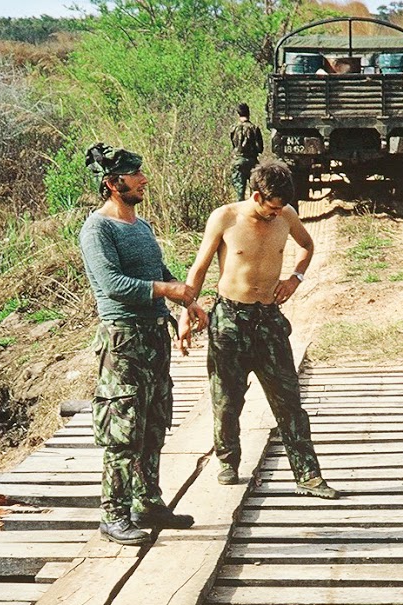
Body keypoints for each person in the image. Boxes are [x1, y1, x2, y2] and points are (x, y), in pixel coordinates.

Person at [181, 159, 337, 499]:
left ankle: (308, 475)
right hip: (229, 321)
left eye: (282, 208)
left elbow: (307, 246)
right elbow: (200, 266)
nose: (277, 214)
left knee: (289, 400)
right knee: (226, 399)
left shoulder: (287, 215)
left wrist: (295, 279)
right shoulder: (226, 217)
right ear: (256, 196)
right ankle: (228, 460)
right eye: (272, 208)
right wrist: (186, 308)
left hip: (268, 320)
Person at [77, 142, 207, 545]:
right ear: (112, 184)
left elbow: (158, 269)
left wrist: (189, 301)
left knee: (153, 423)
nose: (143, 180)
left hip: (154, 335)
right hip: (123, 338)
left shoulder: (142, 225)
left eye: (140, 173)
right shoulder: (97, 228)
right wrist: (166, 289)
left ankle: (147, 502)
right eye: (135, 176)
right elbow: (114, 285)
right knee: (123, 427)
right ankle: (113, 514)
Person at [227, 103, 263, 201]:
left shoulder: (233, 128)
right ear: (249, 113)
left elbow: (233, 145)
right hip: (252, 162)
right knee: (255, 193)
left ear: (238, 114)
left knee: (239, 193)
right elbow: (260, 148)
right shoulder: (254, 128)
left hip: (238, 162)